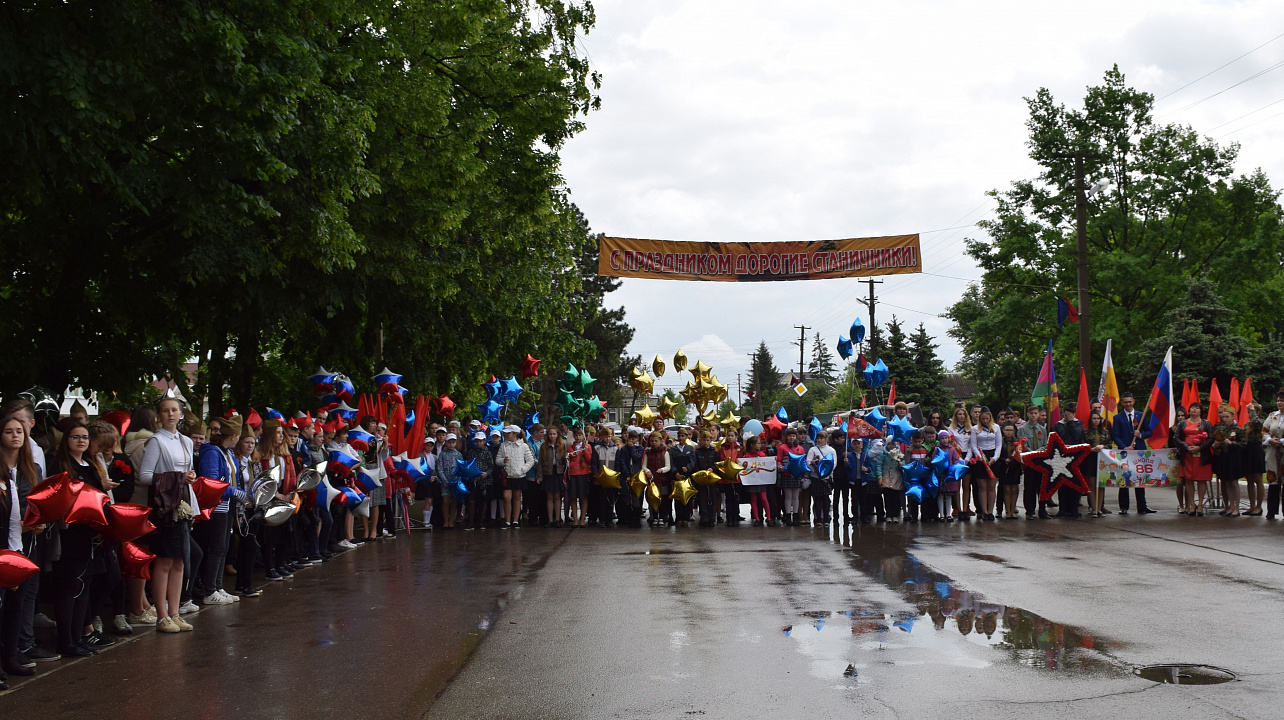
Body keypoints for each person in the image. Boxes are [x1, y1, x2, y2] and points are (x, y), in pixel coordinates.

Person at [48, 420, 111, 652]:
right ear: (67, 440)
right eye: (76, 437)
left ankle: (78, 638)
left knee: (85, 585)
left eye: (84, 437)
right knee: (69, 587)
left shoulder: (89, 465)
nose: (81, 440)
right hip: (70, 534)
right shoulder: (61, 466)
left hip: (90, 535)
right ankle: (66, 641)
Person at [137, 396, 197, 634]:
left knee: (180, 560)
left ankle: (175, 612)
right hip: (165, 507)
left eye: (174, 410)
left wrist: (186, 479)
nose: (170, 414)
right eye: (165, 410)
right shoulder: (156, 441)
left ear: (181, 413)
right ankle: (161, 614)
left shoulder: (185, 441)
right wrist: (178, 477)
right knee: (164, 560)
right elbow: (144, 476)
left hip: (183, 503)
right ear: (158, 415)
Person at [195, 417, 247, 606]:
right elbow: (212, 482)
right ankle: (210, 590)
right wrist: (236, 492)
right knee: (216, 548)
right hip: (216, 507)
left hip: (226, 506)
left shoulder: (227, 453)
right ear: (233, 436)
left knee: (223, 547)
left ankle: (218, 586)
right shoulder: (212, 452)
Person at [1, 414, 38, 682]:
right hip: (3, 545)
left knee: (17, 603)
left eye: (19, 431)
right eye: (8, 431)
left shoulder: (28, 468)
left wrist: (35, 523)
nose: (15, 435)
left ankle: (10, 657)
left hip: (20, 545)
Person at [1110, 392, 1155, 514]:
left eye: (1130, 402)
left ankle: (1142, 506)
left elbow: (1149, 431)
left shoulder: (1141, 415)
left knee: (1140, 479)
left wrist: (1140, 435)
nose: (1128, 404)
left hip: (1139, 451)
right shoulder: (1118, 418)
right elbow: (1116, 435)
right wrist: (1124, 447)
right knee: (1124, 479)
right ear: (1122, 403)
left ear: (1133, 402)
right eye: (1125, 402)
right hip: (1125, 453)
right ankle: (1124, 507)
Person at [1177, 403, 1214, 516]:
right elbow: (1176, 438)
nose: (1194, 409)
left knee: (1201, 479)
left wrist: (1199, 447)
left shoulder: (1206, 423)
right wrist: (1186, 446)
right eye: (1192, 407)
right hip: (1187, 455)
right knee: (1189, 479)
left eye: (1197, 408)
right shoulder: (1183, 423)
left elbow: (1211, 438)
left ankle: (1201, 504)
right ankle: (1192, 504)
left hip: (1202, 455)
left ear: (1201, 411)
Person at [1051, 403, 1085, 517]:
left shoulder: (1078, 423)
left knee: (1075, 483)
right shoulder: (1058, 425)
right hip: (1062, 457)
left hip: (1075, 457)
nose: (1067, 415)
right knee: (1062, 483)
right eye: (1066, 413)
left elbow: (1077, 436)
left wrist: (1071, 423)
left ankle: (1074, 508)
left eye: (1070, 413)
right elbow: (1058, 437)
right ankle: (1063, 508)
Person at [496, 426, 534, 529]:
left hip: (519, 475)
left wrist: (523, 469)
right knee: (506, 497)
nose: (506, 435)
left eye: (508, 433)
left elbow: (530, 460)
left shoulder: (523, 446)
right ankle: (507, 520)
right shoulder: (503, 445)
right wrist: (503, 460)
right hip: (507, 476)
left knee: (517, 497)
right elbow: (497, 460)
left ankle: (515, 520)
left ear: (515, 434)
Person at [968, 407, 1001, 522]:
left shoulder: (996, 427)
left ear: (990, 417)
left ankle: (991, 511)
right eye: (983, 419)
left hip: (993, 457)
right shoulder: (975, 429)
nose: (985, 420)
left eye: (987, 418)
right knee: (982, 487)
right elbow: (973, 445)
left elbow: (999, 444)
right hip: (980, 457)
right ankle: (984, 511)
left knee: (991, 487)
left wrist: (995, 458)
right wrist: (980, 458)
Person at [1210, 404, 1244, 517]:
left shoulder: (1237, 429)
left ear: (1233, 416)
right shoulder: (1221, 428)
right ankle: (1230, 506)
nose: (1224, 419)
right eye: (1223, 417)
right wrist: (1215, 445)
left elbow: (1243, 444)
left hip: (1234, 457)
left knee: (1234, 482)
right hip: (1223, 457)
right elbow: (1216, 440)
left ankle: (1237, 508)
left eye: (1227, 417)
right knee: (1227, 482)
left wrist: (1231, 442)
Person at [1016, 405, 1049, 519]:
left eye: (1036, 413)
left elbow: (1045, 444)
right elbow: (1023, 445)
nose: (1034, 415)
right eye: (1032, 413)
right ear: (1028, 415)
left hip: (1041, 461)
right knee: (1029, 486)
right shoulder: (1022, 429)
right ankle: (1030, 511)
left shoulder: (1042, 429)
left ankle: (1042, 510)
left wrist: (1040, 451)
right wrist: (1033, 453)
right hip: (1029, 461)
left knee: (1041, 486)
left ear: (1039, 414)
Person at [1083, 411, 1112, 517]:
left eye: (1098, 419)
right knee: (1092, 485)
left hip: (1102, 460)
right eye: (1094, 418)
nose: (1096, 420)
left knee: (1101, 485)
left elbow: (1110, 445)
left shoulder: (1105, 432)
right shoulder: (1085, 432)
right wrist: (1091, 449)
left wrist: (1103, 447)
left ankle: (1099, 509)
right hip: (1090, 459)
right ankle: (1094, 509)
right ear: (1091, 420)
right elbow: (1082, 446)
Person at [740, 436, 772, 527]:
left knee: (764, 498)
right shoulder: (747, 456)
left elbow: (767, 464)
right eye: (758, 443)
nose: (760, 445)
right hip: (752, 480)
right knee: (753, 499)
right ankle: (757, 519)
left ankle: (769, 518)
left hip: (761, 480)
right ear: (752, 445)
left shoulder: (762, 455)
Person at [538, 427, 567, 528]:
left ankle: (557, 519)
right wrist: (540, 476)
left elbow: (564, 461)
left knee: (557, 497)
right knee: (549, 497)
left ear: (557, 435)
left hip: (558, 472)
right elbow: (540, 462)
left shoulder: (561, 446)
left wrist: (566, 459)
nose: (552, 436)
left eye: (554, 434)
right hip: (548, 473)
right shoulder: (544, 446)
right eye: (550, 434)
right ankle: (550, 520)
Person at [776, 428, 805, 526]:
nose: (791, 438)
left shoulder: (800, 448)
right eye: (789, 436)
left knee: (796, 497)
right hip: (786, 474)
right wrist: (780, 467)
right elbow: (779, 460)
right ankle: (788, 516)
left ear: (796, 437)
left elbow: (803, 462)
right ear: (786, 437)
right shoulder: (782, 447)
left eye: (793, 436)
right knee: (788, 497)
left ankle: (796, 517)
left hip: (796, 475)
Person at [642, 431, 672, 526]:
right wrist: (647, 471)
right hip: (652, 480)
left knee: (663, 499)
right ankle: (654, 517)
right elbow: (644, 465)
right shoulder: (648, 452)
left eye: (656, 441)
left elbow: (668, 466)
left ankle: (663, 517)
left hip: (662, 480)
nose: (654, 443)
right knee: (652, 499)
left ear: (661, 441)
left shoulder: (665, 452)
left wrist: (662, 470)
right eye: (652, 441)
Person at [994, 423, 1024, 519]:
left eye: (1011, 430)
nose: (1009, 432)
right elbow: (998, 455)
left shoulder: (1018, 442)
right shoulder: (1000, 442)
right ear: (1003, 431)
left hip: (1015, 468)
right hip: (1004, 468)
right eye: (1007, 430)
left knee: (1014, 489)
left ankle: (1012, 510)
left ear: (1014, 431)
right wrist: (1004, 460)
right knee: (1006, 489)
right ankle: (1007, 511)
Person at [435, 433, 463, 529]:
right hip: (445, 482)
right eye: (449, 442)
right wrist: (444, 479)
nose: (451, 444)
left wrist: (458, 480)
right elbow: (440, 468)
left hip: (455, 482)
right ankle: (445, 521)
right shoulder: (442, 454)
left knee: (454, 501)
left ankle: (451, 521)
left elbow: (461, 468)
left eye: (453, 442)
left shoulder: (458, 455)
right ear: (446, 443)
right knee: (445, 501)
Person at [1263, 390, 1284, 519]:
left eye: (1282, 400)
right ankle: (1271, 511)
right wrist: (1270, 439)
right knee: (1273, 480)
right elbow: (1264, 431)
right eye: (1278, 400)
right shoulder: (1272, 415)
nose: (1279, 403)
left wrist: (1281, 441)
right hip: (1272, 452)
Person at [565, 427, 591, 528]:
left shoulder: (587, 446)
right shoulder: (571, 447)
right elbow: (569, 459)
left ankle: (582, 518)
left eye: (580, 435)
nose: (578, 437)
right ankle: (575, 519)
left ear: (583, 436)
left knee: (583, 497)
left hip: (583, 474)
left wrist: (585, 450)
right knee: (573, 497)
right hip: (573, 474)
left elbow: (589, 460)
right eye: (576, 435)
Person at [693, 430, 720, 527]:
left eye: (707, 440)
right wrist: (700, 472)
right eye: (703, 440)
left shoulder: (714, 452)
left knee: (712, 497)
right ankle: (704, 517)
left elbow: (718, 465)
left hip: (712, 478)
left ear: (711, 440)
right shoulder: (697, 452)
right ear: (700, 440)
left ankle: (712, 518)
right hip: (701, 478)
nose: (705, 442)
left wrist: (712, 469)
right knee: (702, 498)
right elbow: (695, 465)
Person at [1242, 409, 1265, 516]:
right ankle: (1252, 505)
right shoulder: (1247, 424)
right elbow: (1244, 439)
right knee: (1249, 479)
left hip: (1256, 450)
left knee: (1257, 479)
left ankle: (1259, 506)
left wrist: (1253, 411)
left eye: (1252, 411)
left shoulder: (1260, 422)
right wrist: (1246, 433)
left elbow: (1257, 423)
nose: (1249, 413)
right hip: (1247, 450)